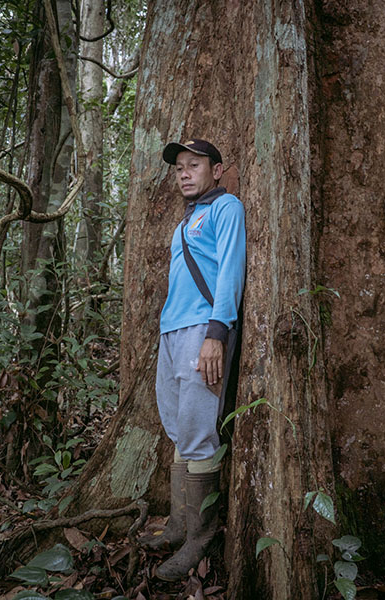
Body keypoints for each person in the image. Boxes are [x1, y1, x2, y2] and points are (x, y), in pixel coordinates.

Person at [140, 139, 245, 581]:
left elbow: (231, 270)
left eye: (194, 165)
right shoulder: (185, 220)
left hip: (204, 330)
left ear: (216, 171)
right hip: (172, 332)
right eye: (179, 167)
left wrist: (216, 334)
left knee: (199, 429)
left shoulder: (226, 208)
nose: (184, 173)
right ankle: (181, 524)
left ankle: (202, 536)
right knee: (179, 426)